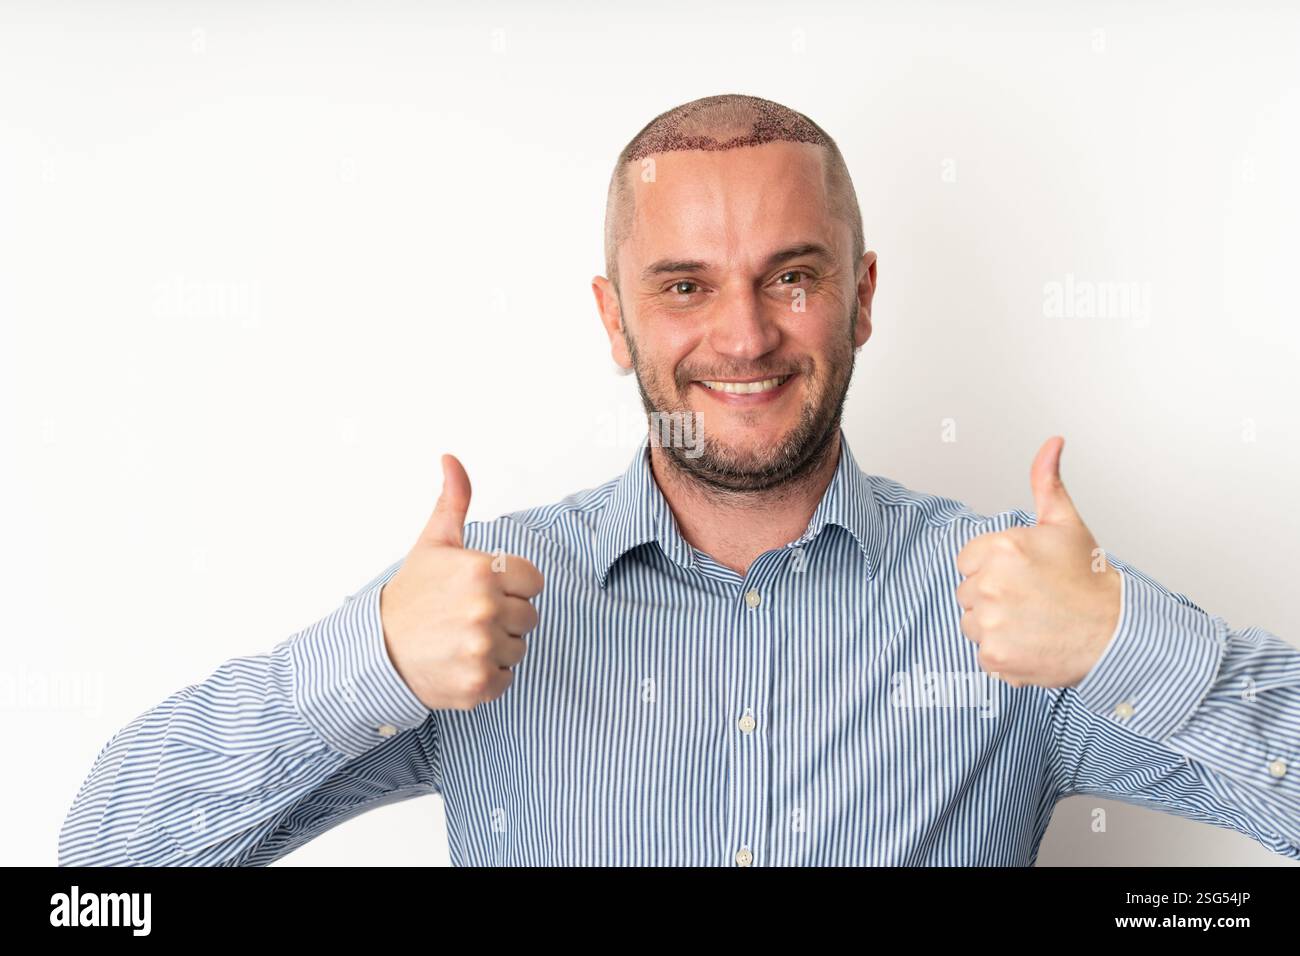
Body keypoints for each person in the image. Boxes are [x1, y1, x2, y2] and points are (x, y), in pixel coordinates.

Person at [59, 94, 1299, 866]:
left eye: (793, 273)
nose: (745, 336)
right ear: (615, 319)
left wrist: (1130, 639)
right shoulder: (481, 607)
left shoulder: (1018, 607)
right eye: (685, 283)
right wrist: (364, 661)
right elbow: (100, 869)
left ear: (861, 298)